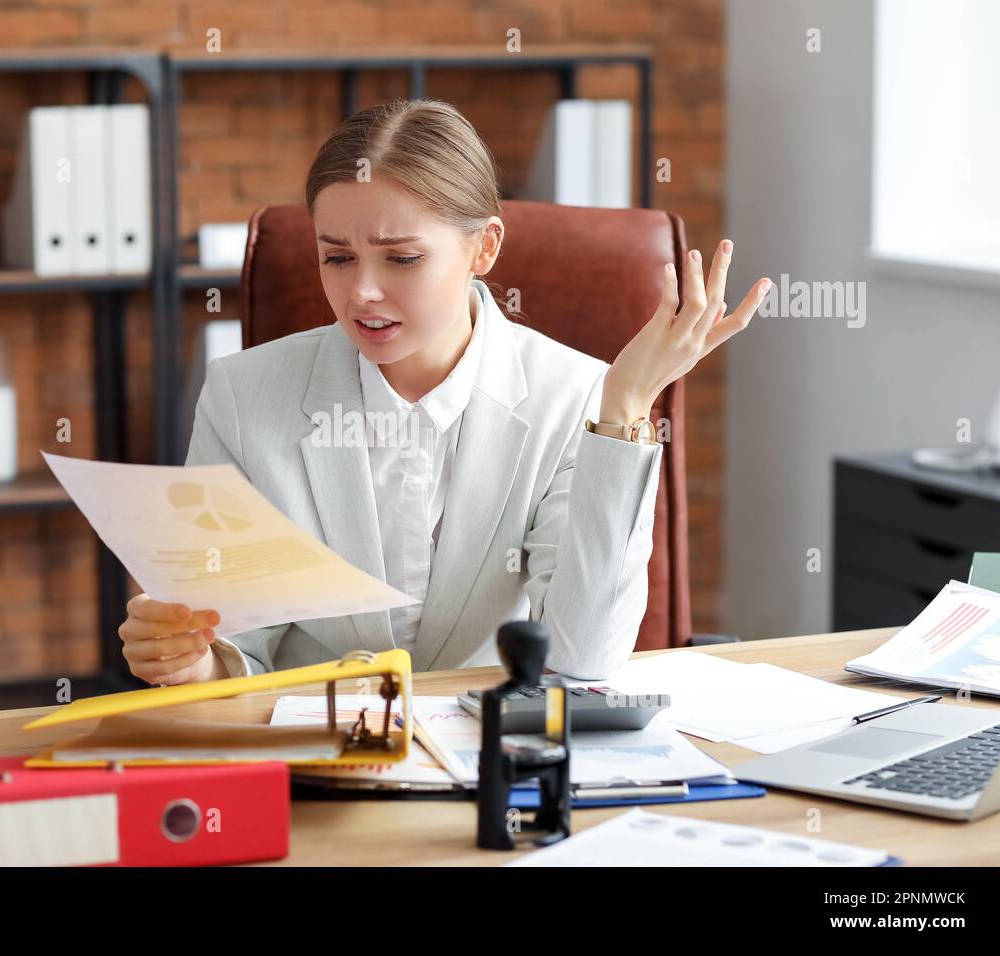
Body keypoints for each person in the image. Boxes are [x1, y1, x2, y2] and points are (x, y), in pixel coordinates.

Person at [119, 98, 769, 685]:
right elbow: (234, 643)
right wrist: (191, 658)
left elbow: (584, 655)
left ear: (484, 247)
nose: (362, 292)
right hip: (313, 754)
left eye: (401, 258)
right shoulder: (244, 395)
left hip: (486, 752)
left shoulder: (576, 397)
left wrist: (625, 408)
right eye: (337, 257)